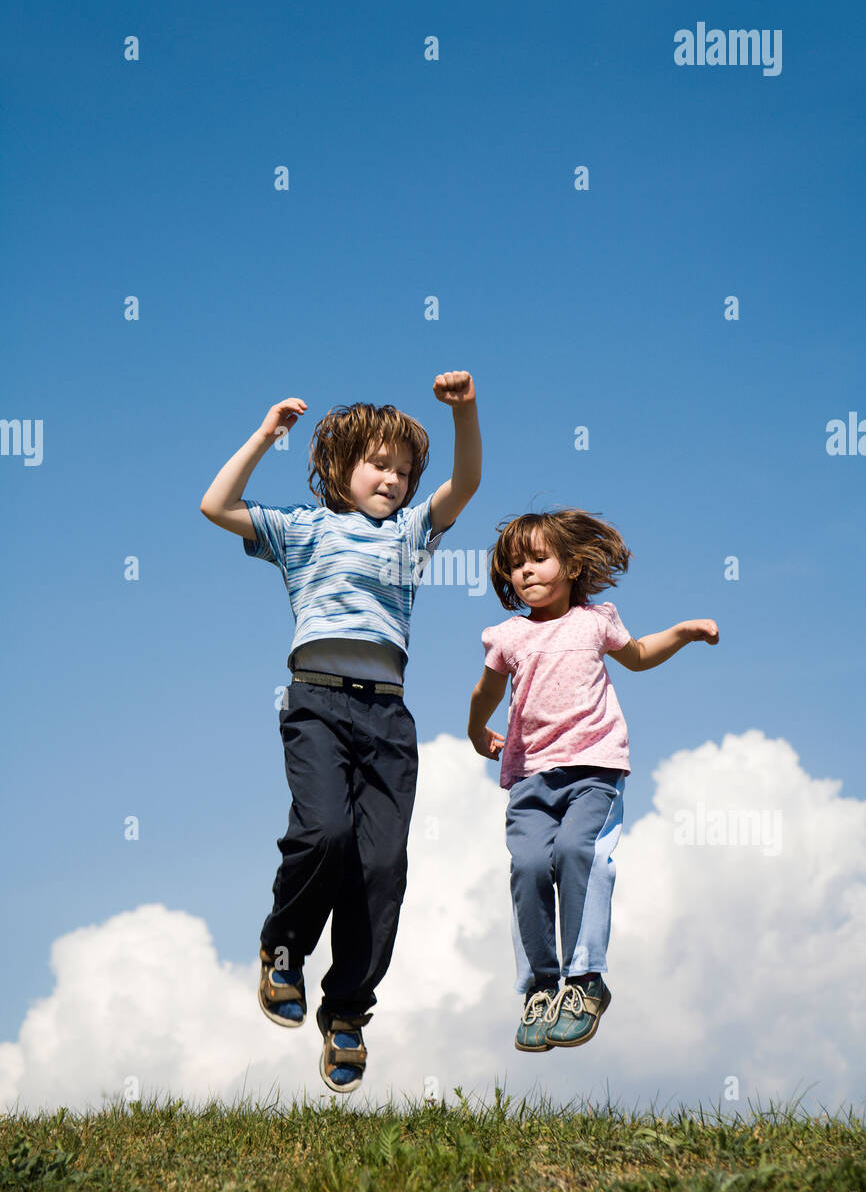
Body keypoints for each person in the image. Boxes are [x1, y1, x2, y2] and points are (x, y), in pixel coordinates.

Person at [200, 374, 481, 1092]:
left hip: (388, 716)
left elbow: (467, 483)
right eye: (378, 464)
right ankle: (283, 949)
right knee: (324, 834)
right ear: (340, 467)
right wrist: (266, 435)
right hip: (317, 704)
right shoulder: (302, 529)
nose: (391, 479)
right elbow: (216, 504)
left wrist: (465, 413)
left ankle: (348, 1012)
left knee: (381, 868)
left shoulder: (414, 535)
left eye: (403, 471)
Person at [467, 508, 718, 1053]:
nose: (526, 572)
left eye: (538, 559)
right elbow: (485, 694)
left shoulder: (595, 621)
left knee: (579, 853)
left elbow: (640, 655)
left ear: (573, 563)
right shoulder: (508, 637)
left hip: (595, 771)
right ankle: (541, 987)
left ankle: (585, 984)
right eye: (515, 565)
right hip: (531, 777)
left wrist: (681, 632)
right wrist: (474, 730)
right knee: (531, 865)